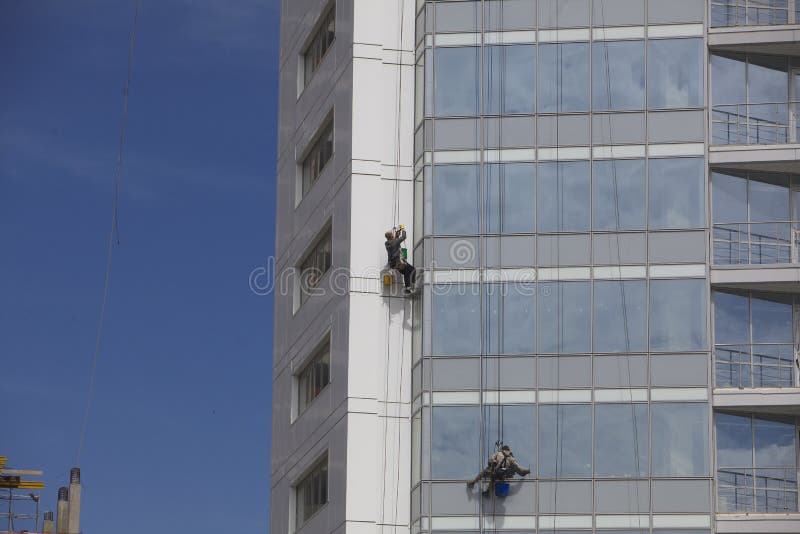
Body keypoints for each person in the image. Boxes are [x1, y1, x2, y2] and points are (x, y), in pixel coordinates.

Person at [385, 226, 416, 293]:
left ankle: (409, 287)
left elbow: (395, 242)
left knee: (407, 272)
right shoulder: (395, 241)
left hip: (393, 264)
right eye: (392, 234)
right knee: (412, 270)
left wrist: (397, 235)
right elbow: (404, 237)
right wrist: (403, 229)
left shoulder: (387, 244)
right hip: (398, 262)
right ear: (391, 236)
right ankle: (412, 285)